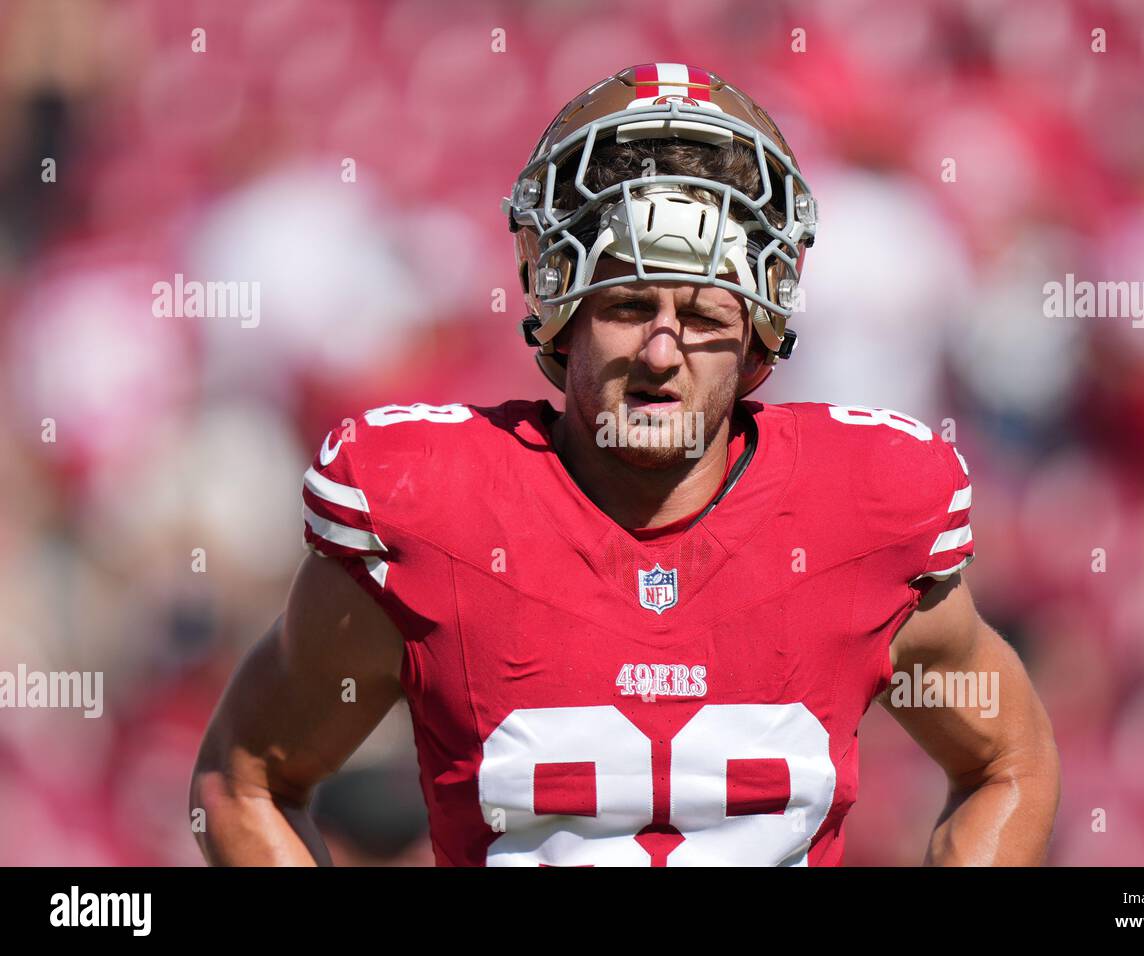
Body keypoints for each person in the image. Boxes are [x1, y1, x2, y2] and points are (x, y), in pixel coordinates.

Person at [191, 63, 1059, 866]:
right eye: (628, 305)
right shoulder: (427, 508)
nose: (661, 353)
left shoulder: (864, 511)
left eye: (706, 315)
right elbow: (244, 783)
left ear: (761, 328)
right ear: (557, 308)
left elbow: (1009, 763)